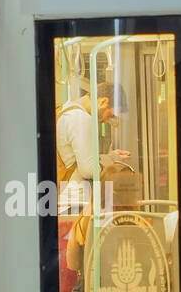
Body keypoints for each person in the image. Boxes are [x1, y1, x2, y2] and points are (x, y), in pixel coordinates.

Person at [55, 81, 128, 215]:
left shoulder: (65, 112)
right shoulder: (81, 118)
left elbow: (77, 159)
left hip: (65, 200)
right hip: (76, 203)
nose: (107, 121)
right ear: (103, 101)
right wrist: (112, 161)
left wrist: (110, 156)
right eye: (110, 115)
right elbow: (88, 170)